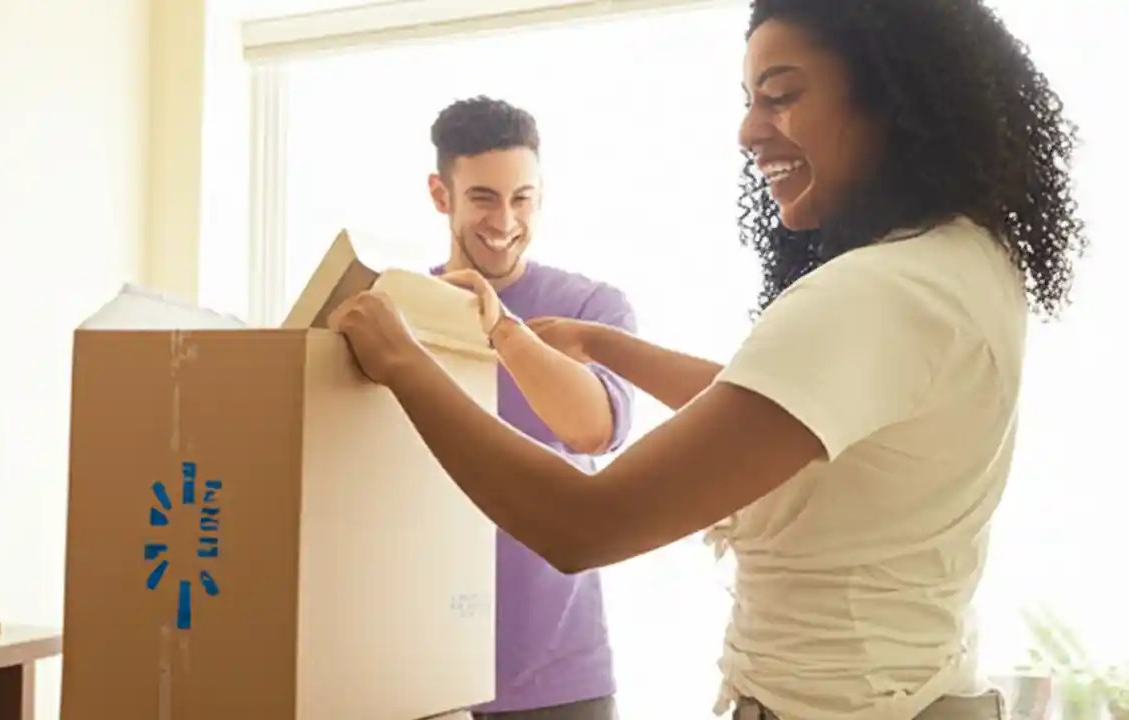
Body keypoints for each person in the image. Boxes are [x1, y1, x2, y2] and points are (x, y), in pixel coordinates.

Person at [332, 1, 1086, 718]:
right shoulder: (962, 262)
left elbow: (583, 521)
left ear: (894, 95)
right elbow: (762, 409)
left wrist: (403, 362)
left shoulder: (880, 292)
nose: (748, 131)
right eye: (749, 99)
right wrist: (603, 345)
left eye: (781, 96)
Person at [424, 96, 638, 719]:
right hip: (416, 664)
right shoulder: (397, 308)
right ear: (443, 195)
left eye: (523, 198)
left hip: (557, 676)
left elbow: (596, 430)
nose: (505, 221)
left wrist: (499, 325)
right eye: (484, 198)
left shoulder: (594, 307)